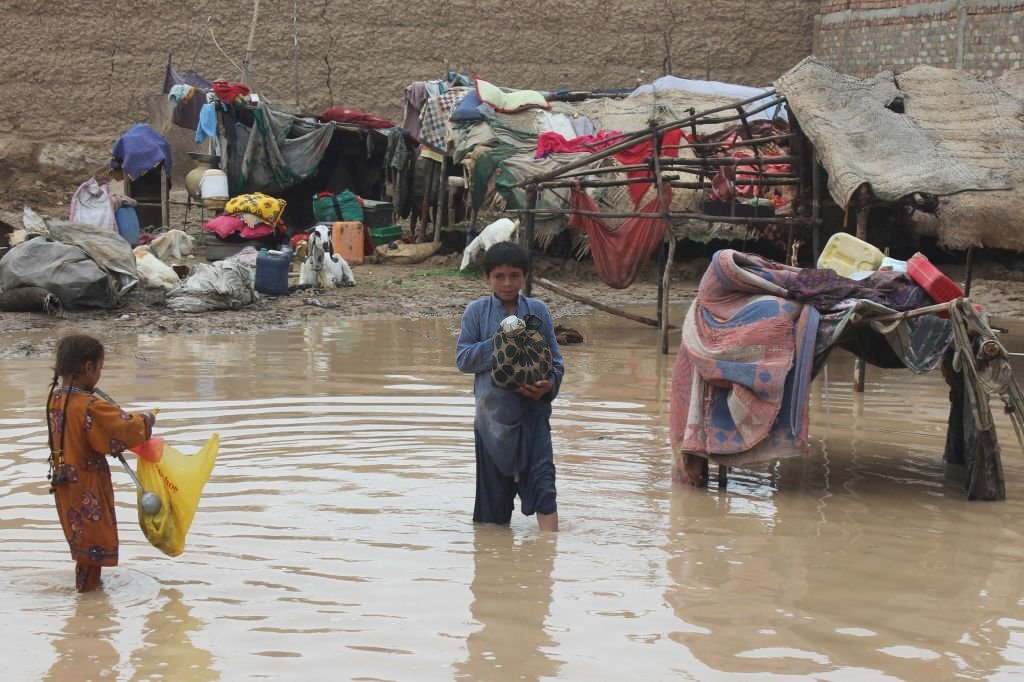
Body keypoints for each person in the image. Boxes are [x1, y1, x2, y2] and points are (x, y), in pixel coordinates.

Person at [455, 241, 564, 531]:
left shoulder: (538, 311)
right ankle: (494, 554)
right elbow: (463, 359)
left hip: (533, 413)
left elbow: (556, 361)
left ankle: (550, 549)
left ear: (525, 276)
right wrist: (502, 342)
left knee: (544, 488)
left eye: (514, 275)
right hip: (492, 420)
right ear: (487, 278)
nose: (507, 283)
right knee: (493, 507)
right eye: (499, 276)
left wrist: (548, 386)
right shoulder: (476, 312)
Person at [45, 334, 156, 592]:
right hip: (88, 485)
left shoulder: (56, 399)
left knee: (84, 543)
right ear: (88, 367)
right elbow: (121, 430)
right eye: (100, 368)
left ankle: (88, 594)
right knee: (94, 545)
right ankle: (88, 596)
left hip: (65, 483)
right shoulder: (88, 405)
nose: (99, 374)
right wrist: (146, 420)